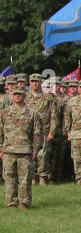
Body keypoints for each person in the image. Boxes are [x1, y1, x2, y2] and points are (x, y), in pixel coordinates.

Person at [1, 77, 40, 209]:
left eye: (20, 94)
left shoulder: (32, 113)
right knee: (9, 179)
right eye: (15, 94)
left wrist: (35, 150)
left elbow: (37, 134)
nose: (18, 96)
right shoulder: (4, 113)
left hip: (25, 151)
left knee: (25, 179)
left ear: (25, 95)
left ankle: (24, 203)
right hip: (8, 151)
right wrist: (1, 149)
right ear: (12, 96)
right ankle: (12, 203)